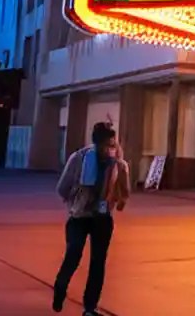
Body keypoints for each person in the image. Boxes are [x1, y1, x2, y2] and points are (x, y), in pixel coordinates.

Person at [52, 122, 131, 316]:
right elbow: (62, 188)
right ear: (96, 143)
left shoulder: (119, 164)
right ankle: (60, 286)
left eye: (112, 144)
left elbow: (125, 192)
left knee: (98, 262)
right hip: (79, 217)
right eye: (106, 144)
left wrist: (117, 199)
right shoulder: (78, 159)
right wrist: (77, 201)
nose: (109, 149)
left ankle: (90, 307)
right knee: (74, 252)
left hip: (102, 219)